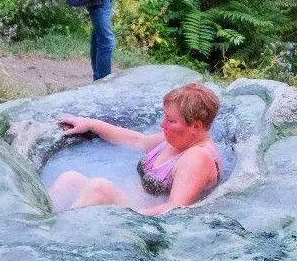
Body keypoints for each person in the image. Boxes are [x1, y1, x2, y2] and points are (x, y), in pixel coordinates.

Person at [49, 83, 222, 216]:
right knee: (69, 179)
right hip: (129, 202)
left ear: (196, 126)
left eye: (171, 121)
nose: (163, 124)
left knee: (99, 188)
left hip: (137, 217)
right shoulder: (179, 139)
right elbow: (137, 140)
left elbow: (175, 209)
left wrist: (116, 213)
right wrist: (90, 123)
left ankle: (59, 235)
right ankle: (41, 226)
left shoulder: (197, 158)